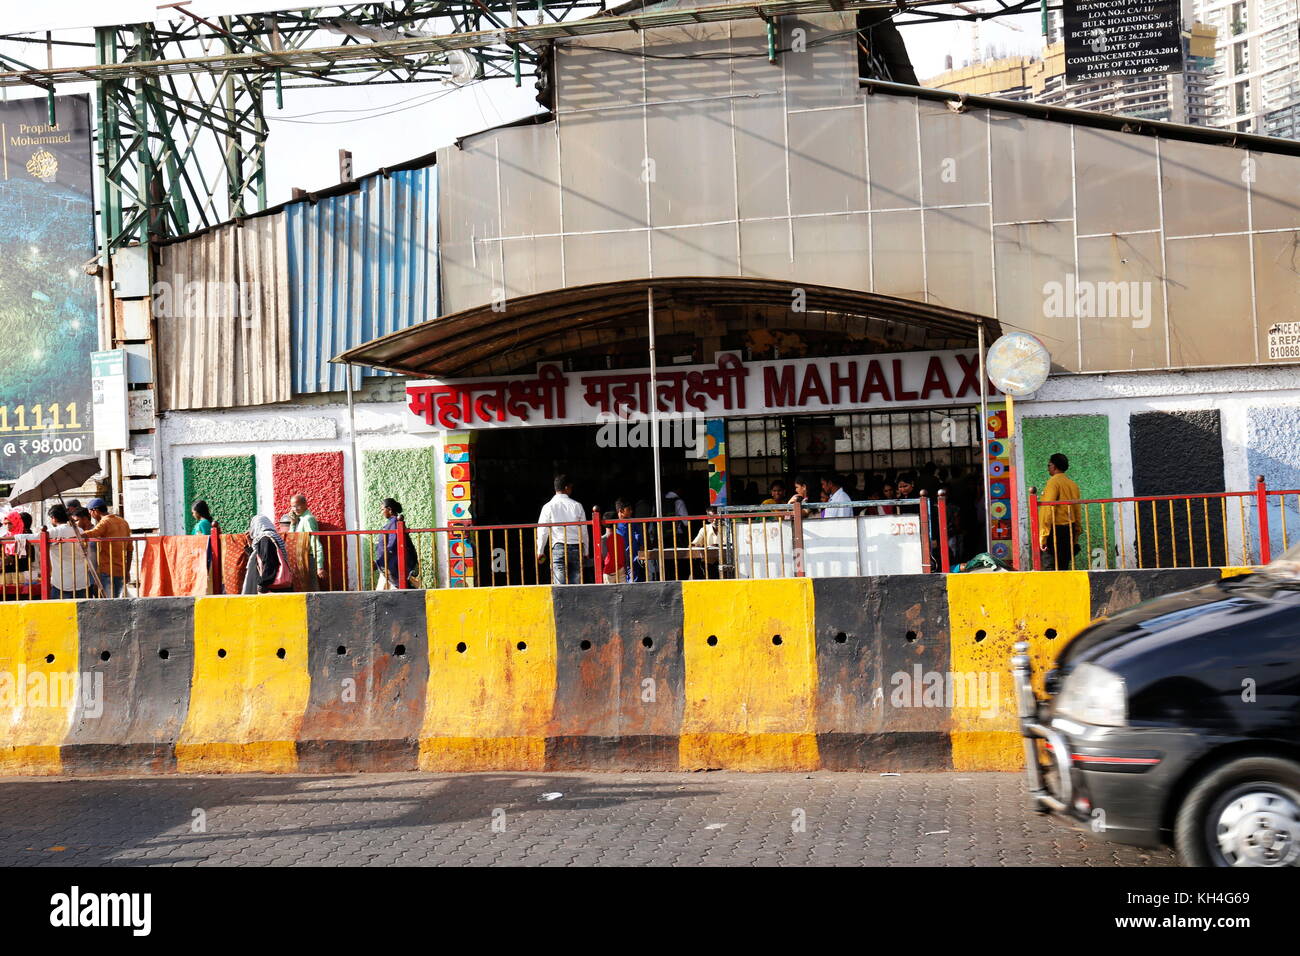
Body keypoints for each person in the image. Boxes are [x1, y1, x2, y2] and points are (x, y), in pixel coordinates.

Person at [536, 475, 589, 585]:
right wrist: (586, 551)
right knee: (576, 585)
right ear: (567, 487)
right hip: (576, 547)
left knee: (560, 586)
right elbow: (584, 530)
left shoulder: (548, 506)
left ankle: (562, 603)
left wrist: (540, 551)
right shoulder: (577, 506)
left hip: (558, 547)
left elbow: (542, 531)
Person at [1039, 453, 1083, 571]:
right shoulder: (1072, 484)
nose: (1048, 468)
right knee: (1063, 566)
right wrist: (1077, 532)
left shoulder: (1053, 482)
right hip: (1070, 529)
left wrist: (1043, 536)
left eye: (1049, 465)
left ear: (1054, 466)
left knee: (1049, 567)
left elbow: (1048, 510)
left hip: (1055, 530)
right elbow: (1077, 510)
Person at [82, 498, 132, 597]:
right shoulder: (123, 522)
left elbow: (93, 533)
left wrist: (74, 535)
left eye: (90, 513)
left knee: (108, 601)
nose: (91, 516)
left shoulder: (105, 522)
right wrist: (127, 570)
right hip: (121, 569)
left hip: (108, 570)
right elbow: (130, 549)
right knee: (118, 600)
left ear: (95, 511)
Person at [374, 498, 419, 589]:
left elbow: (392, 545)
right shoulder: (391, 523)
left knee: (384, 591)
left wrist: (381, 560)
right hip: (389, 563)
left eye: (383, 509)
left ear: (389, 509)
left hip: (391, 564)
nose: (381, 512)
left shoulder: (394, 523)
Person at [243, 515, 293, 594]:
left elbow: (268, 561)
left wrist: (263, 583)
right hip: (281, 585)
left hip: (273, 587)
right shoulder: (272, 536)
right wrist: (250, 543)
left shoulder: (265, 539)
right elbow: (258, 558)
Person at [288, 493, 327, 587]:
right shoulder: (300, 519)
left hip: (309, 557)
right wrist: (293, 523)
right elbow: (292, 538)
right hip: (303, 557)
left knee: (312, 586)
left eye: (298, 506)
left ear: (305, 505)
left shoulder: (308, 519)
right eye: (293, 506)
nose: (295, 509)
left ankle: (317, 602)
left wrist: (319, 566)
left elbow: (315, 541)